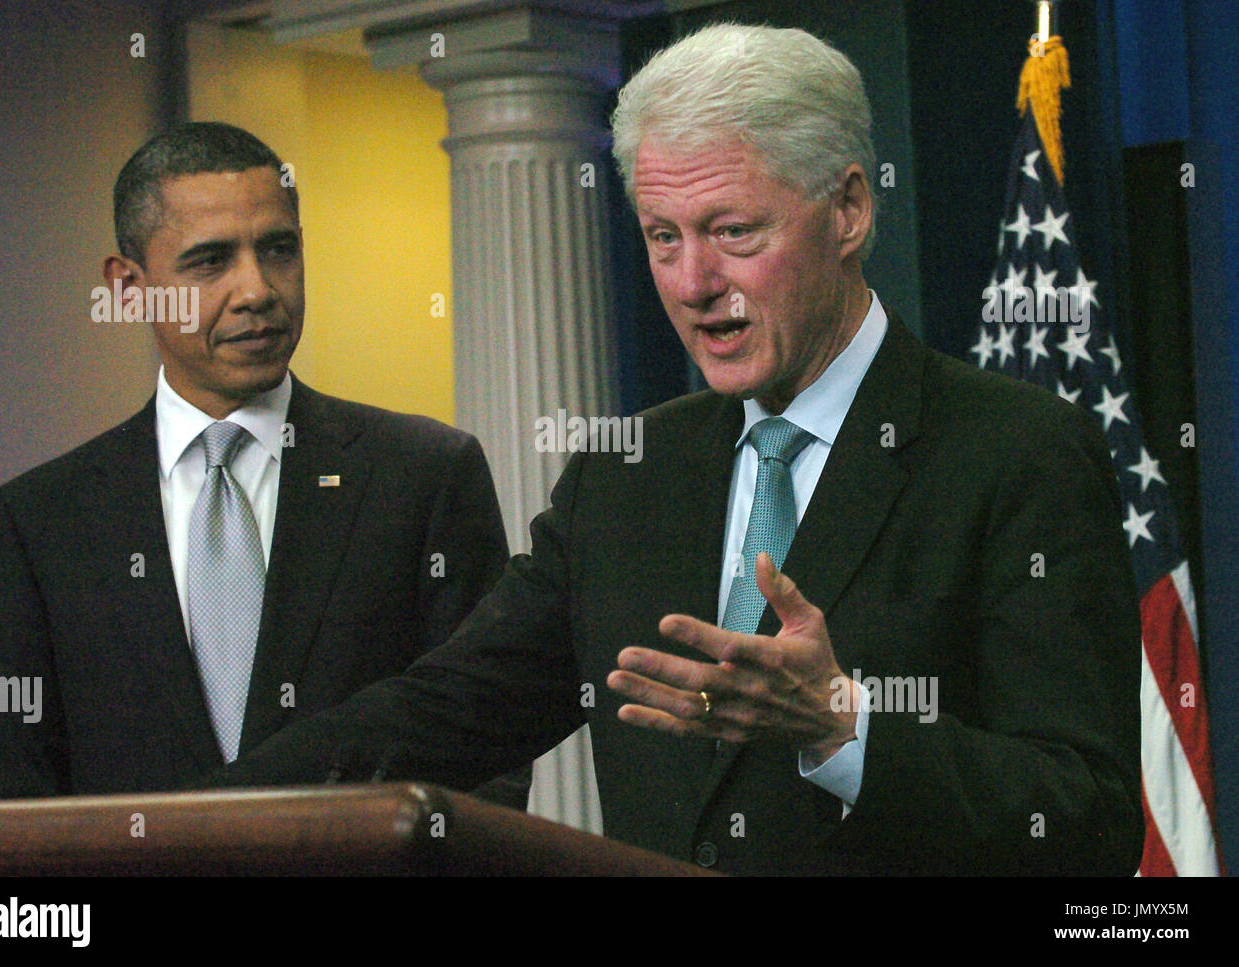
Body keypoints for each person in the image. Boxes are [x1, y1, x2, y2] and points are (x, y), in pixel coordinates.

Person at [201, 26, 1143, 875]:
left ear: (849, 209)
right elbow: (442, 711)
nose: (693, 283)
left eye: (734, 231)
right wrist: (179, 823)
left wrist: (842, 728)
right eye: (662, 237)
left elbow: (1088, 820)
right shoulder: (623, 475)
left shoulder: (1017, 453)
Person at [0, 122, 528, 809]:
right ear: (129, 287)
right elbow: (14, 803)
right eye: (210, 262)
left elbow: (488, 750)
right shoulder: (41, 520)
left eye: (279, 250)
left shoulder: (426, 475)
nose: (257, 289)